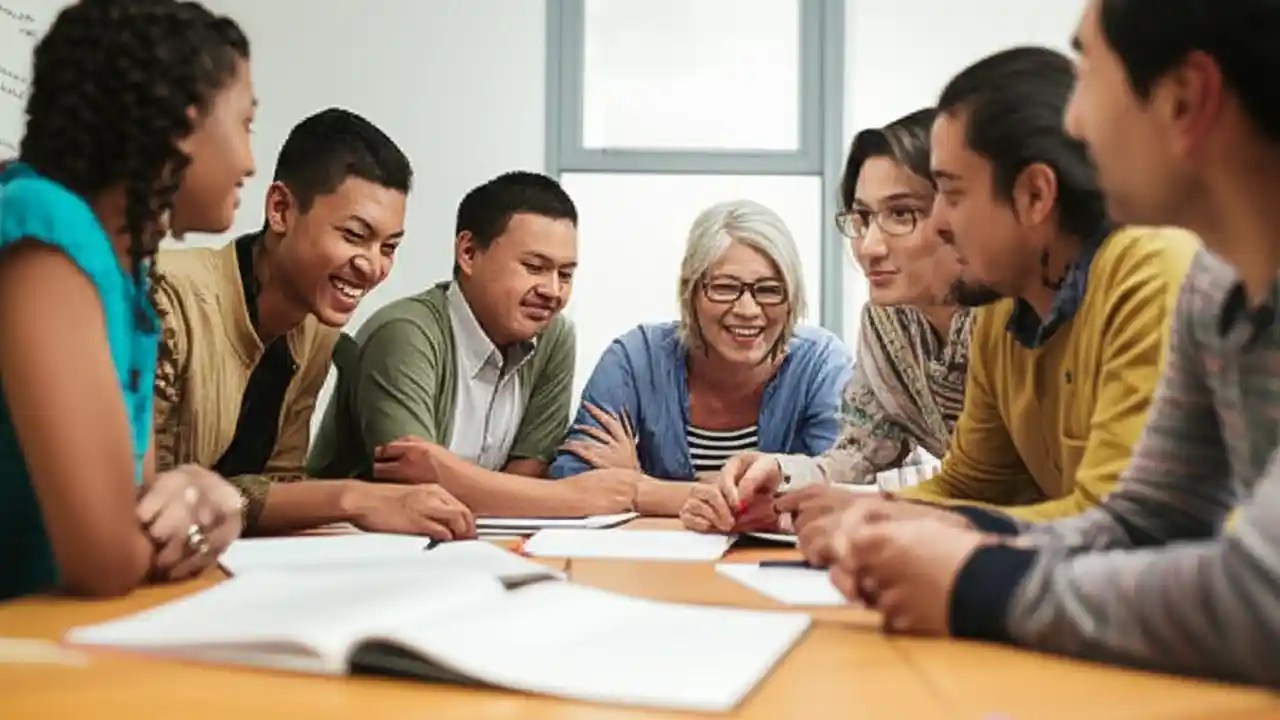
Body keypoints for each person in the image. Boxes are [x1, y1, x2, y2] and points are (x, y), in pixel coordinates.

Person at [823, 0, 1280, 688]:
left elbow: (1261, 595)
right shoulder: (1213, 288)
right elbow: (1146, 520)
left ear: (1186, 101)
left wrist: (980, 580)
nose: (1071, 123)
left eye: (1088, 73)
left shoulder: (1161, 270)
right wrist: (934, 534)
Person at [728, 46, 1201, 548]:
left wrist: (887, 527)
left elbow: (1118, 523)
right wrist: (845, 513)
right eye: (863, 217)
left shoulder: (1149, 274)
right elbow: (970, 487)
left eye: (950, 196)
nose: (939, 225)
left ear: (1035, 197)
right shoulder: (1005, 313)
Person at [0, 0, 250, 599]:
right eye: (245, 124)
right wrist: (195, 516)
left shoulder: (124, 274)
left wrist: (203, 493)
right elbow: (106, 558)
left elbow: (135, 513)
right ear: (182, 125)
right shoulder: (45, 226)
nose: (249, 162)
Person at [152, 107, 474, 541]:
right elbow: (148, 500)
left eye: (389, 247)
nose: (373, 266)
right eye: (354, 236)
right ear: (281, 209)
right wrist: (352, 498)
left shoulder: (317, 328)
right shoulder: (164, 299)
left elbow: (278, 486)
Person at [699, 110, 973, 534]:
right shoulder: (886, 320)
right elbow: (860, 456)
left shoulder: (1010, 314)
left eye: (901, 214)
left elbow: (997, 486)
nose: (869, 246)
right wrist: (779, 474)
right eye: (862, 218)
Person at [309, 172, 634, 517]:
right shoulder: (404, 334)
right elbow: (417, 489)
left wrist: (448, 472)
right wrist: (576, 498)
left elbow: (528, 477)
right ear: (468, 253)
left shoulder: (554, 337)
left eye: (565, 274)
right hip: (357, 546)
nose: (553, 290)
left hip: (477, 543)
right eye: (534, 267)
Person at [547, 200, 852, 520]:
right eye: (724, 287)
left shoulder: (821, 364)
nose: (748, 309)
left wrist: (640, 488)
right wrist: (684, 494)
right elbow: (571, 485)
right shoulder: (636, 359)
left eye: (769, 290)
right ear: (690, 292)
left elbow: (841, 490)